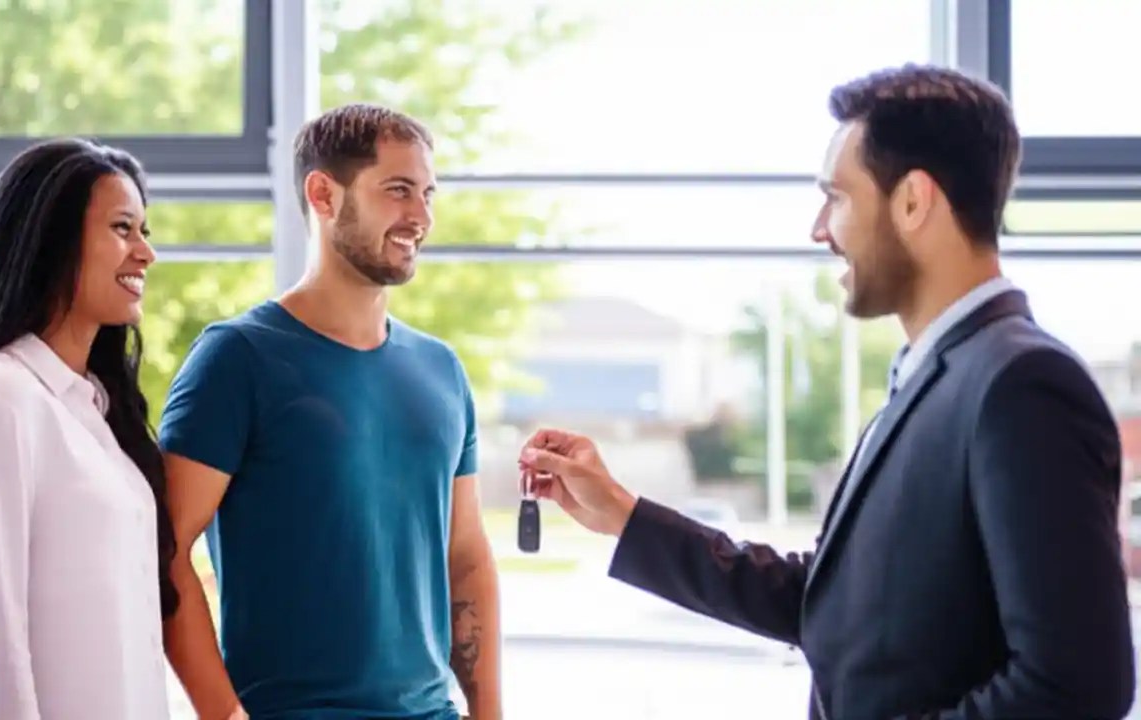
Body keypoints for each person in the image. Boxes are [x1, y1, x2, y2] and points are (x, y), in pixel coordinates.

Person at [518, 64, 1136, 719]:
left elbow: (1075, 688)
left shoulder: (1022, 387)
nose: (821, 229)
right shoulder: (936, 377)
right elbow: (826, 602)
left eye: (837, 197)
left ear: (913, 201)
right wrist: (620, 512)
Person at [159, 102, 500, 720]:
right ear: (323, 193)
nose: (420, 216)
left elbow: (467, 557)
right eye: (398, 190)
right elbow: (165, 551)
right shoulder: (236, 358)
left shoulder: (442, 370)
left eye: (427, 193)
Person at [0, 138, 176, 719]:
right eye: (123, 228)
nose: (145, 253)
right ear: (51, 240)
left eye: (144, 230)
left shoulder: (94, 413)